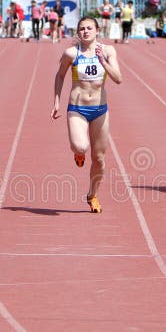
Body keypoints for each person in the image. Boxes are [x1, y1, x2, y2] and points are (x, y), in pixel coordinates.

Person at [52, 17, 122, 213]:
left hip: (100, 109)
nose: (85, 31)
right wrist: (57, 100)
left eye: (89, 28)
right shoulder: (71, 53)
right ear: (78, 33)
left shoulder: (108, 51)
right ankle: (78, 152)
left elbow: (118, 78)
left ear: (97, 30)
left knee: (99, 159)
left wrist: (103, 61)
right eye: (81, 29)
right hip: (77, 108)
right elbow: (59, 76)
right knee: (80, 145)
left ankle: (92, 194)